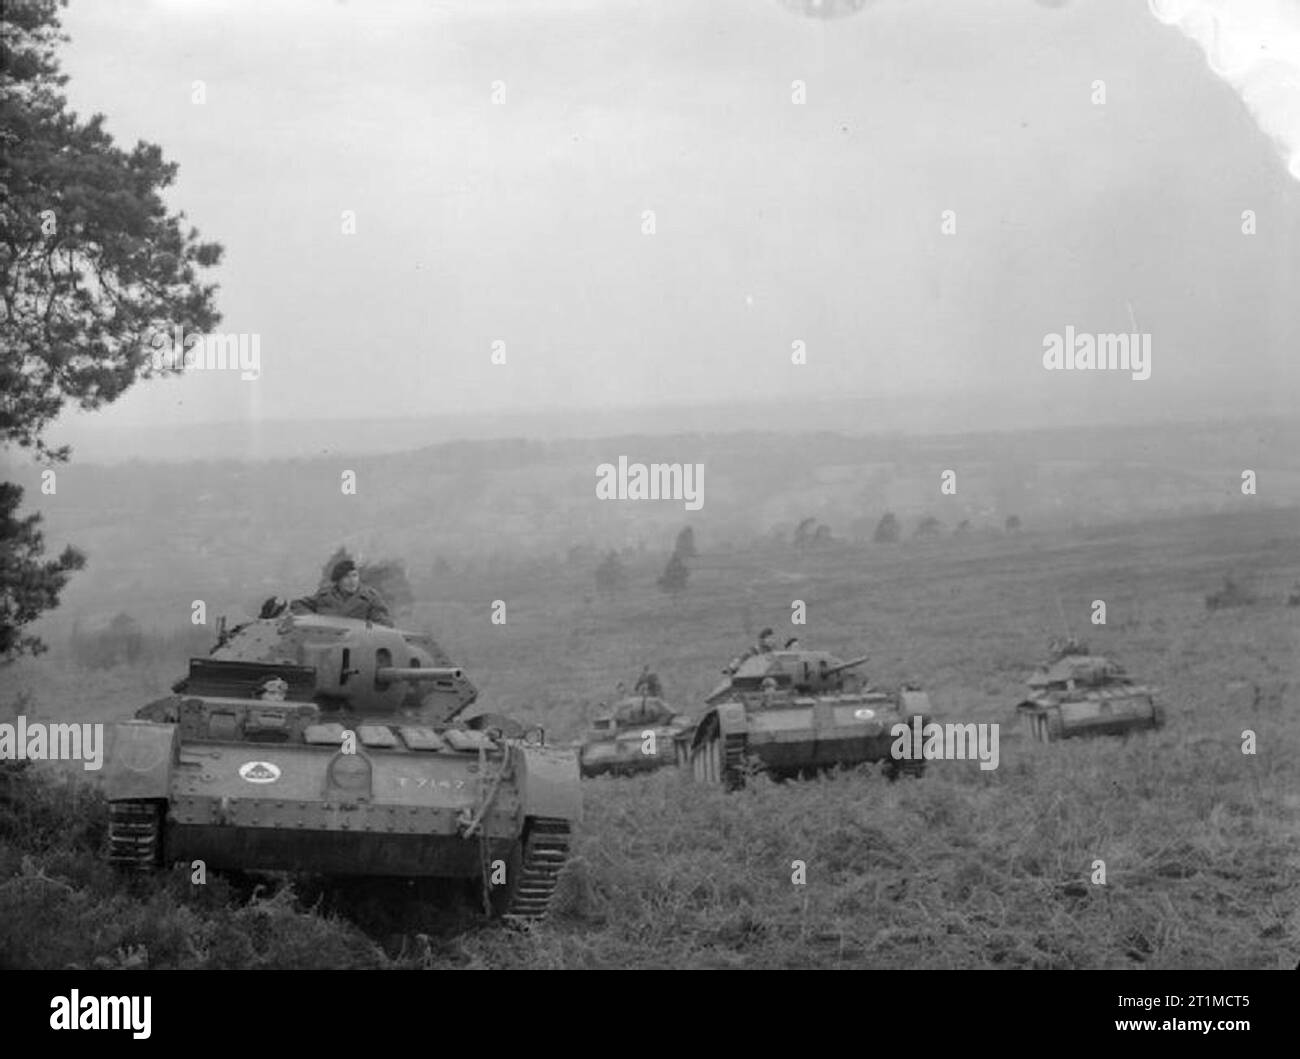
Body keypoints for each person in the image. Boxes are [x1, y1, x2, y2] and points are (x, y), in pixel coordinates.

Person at [291, 560, 392, 625]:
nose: (352, 581)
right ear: (338, 580)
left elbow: (385, 624)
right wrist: (313, 620)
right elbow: (297, 605)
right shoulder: (324, 595)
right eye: (346, 577)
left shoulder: (370, 598)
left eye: (355, 575)